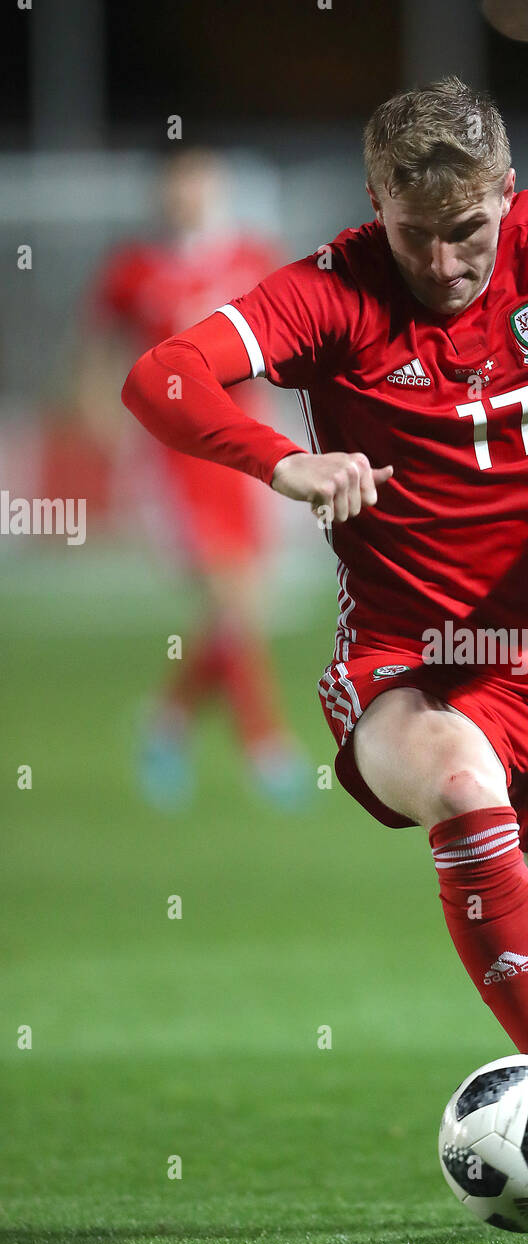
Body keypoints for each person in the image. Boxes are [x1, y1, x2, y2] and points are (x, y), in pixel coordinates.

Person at [122, 78, 528, 1219]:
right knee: (463, 790)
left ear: (505, 195)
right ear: (375, 202)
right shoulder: (329, 290)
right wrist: (280, 461)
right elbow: (161, 376)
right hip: (408, 659)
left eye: (466, 228)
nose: (442, 258)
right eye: (412, 231)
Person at [84, 149, 311, 809]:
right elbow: (97, 349)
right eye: (176, 184)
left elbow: (295, 333)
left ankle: (167, 721)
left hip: (246, 449)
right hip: (175, 454)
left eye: (198, 184)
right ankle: (267, 748)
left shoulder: (251, 257)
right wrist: (102, 413)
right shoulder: (135, 270)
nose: (186, 195)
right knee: (229, 600)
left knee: (239, 609)